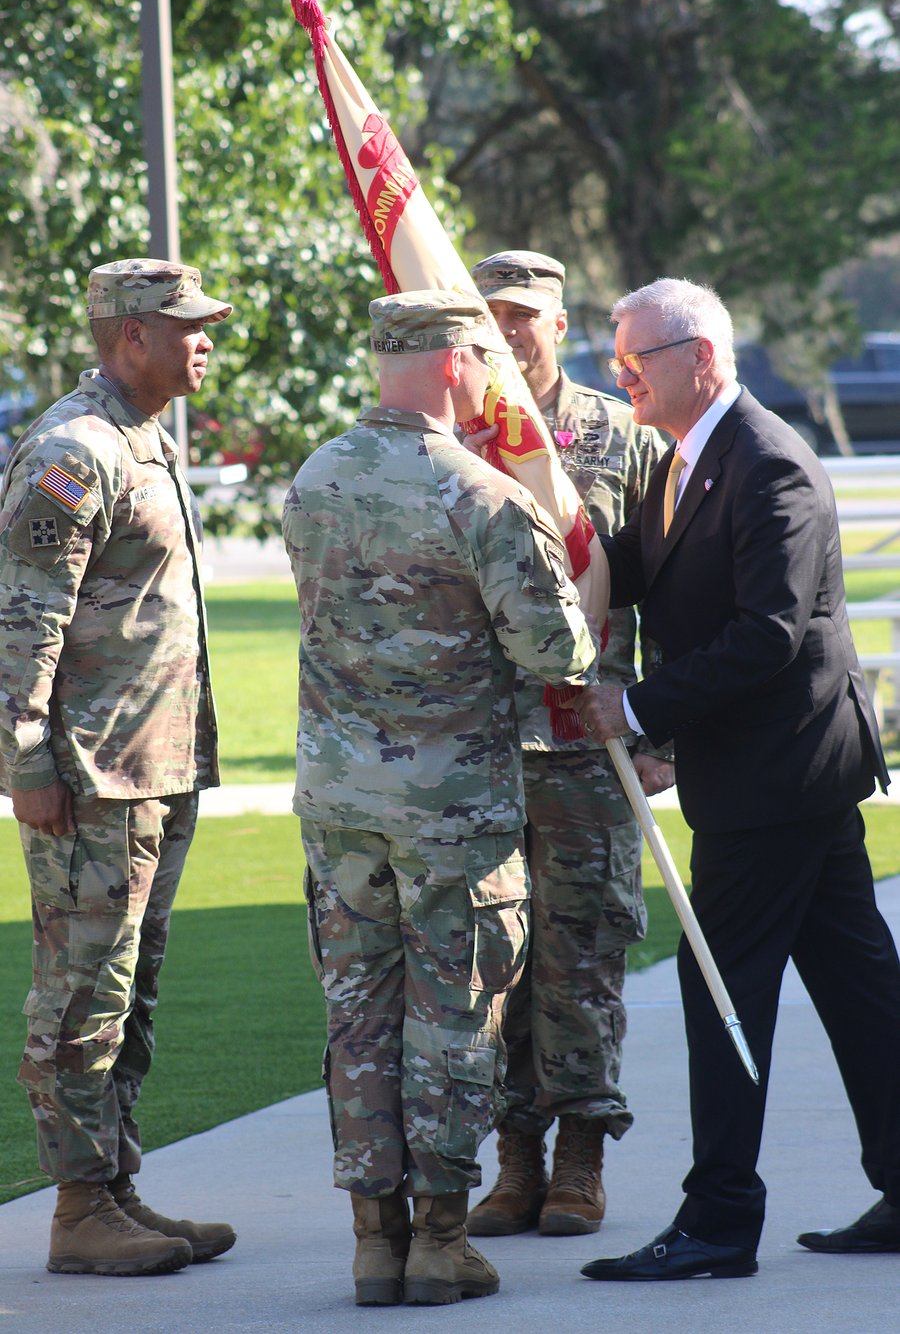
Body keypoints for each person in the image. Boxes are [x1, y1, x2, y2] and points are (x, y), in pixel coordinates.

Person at [575, 277, 900, 1280]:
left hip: (779, 778)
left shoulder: (767, 466)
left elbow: (768, 633)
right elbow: (639, 564)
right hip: (781, 779)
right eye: (616, 357)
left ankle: (719, 1221)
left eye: (637, 358)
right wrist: (549, 526)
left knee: (721, 988)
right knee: (859, 988)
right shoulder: (683, 462)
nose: (619, 374)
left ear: (701, 357)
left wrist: (634, 710)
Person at [281, 289, 599, 1306]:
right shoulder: (481, 496)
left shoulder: (314, 479)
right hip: (453, 805)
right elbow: (556, 652)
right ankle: (439, 1242)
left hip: (340, 802)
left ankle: (374, 1242)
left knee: (359, 1020)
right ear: (458, 363)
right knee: (455, 1021)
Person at [0, 258, 237, 1276]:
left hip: (154, 765)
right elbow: (23, 623)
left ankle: (117, 1190)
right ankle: (79, 1209)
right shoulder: (72, 451)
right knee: (80, 993)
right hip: (90, 777)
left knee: (128, 993)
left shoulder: (140, 441)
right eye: (186, 326)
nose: (205, 341)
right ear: (128, 336)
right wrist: (26, 762)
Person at [462, 251, 674, 1238]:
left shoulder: (620, 435)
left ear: (558, 322)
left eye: (525, 316)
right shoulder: (458, 436)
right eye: (490, 314)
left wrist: (663, 721)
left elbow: (673, 585)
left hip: (591, 743)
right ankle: (517, 1161)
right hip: (483, 742)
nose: (507, 332)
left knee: (582, 955)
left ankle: (582, 1158)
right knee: (496, 961)